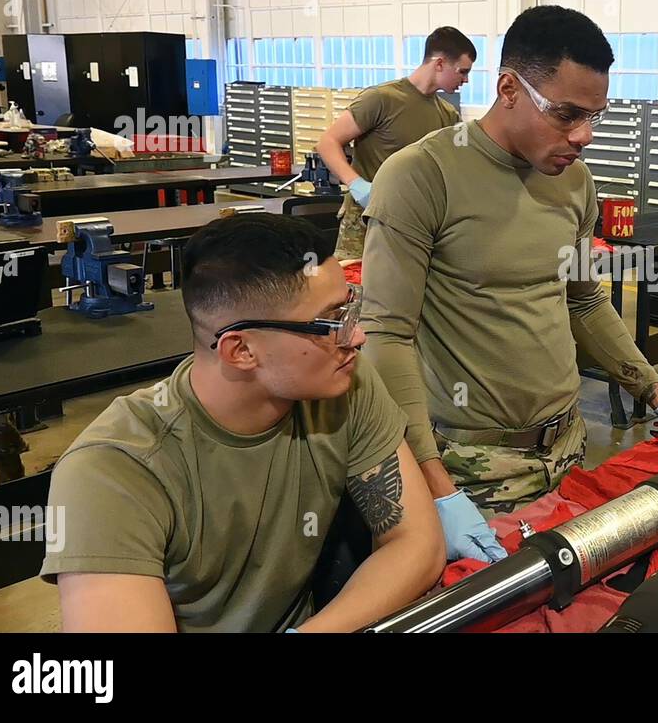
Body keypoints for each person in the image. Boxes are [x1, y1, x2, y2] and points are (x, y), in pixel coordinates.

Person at [361, 5, 658, 563]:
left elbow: (584, 302)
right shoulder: (422, 176)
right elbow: (387, 337)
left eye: (596, 115)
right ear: (508, 88)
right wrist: (439, 489)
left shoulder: (574, 181)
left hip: (569, 449)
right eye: (566, 114)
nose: (585, 136)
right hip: (471, 467)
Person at [42, 214, 444, 632]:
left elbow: (417, 544)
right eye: (332, 322)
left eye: (351, 308)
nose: (356, 336)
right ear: (241, 351)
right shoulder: (114, 471)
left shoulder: (343, 382)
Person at [317, 26, 476, 261]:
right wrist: (356, 184)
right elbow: (327, 142)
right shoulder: (381, 99)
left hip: (411, 219)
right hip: (365, 218)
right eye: (462, 71)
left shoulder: (448, 114)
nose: (466, 79)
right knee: (355, 288)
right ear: (439, 63)